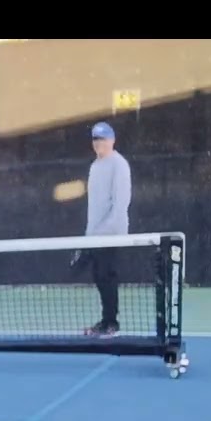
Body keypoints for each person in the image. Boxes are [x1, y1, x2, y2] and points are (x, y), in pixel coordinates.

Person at [83, 121, 131, 337]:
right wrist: (88, 237)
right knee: (99, 277)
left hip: (111, 235)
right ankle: (106, 321)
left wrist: (105, 233)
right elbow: (94, 206)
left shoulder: (119, 165)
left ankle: (111, 323)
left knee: (106, 275)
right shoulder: (95, 166)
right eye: (95, 139)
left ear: (112, 140)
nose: (98, 143)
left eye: (102, 139)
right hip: (94, 237)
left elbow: (120, 204)